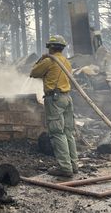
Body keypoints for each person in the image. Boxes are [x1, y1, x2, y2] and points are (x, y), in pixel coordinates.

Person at [30, 35, 78, 178]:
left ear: (50, 47)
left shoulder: (49, 61)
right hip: (67, 98)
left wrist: (41, 59)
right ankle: (73, 165)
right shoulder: (66, 61)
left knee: (57, 133)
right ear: (62, 48)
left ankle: (65, 168)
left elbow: (33, 73)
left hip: (55, 100)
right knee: (68, 132)